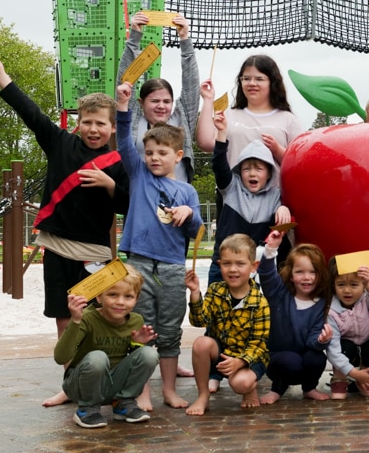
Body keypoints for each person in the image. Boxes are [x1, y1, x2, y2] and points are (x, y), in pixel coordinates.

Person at [0, 52, 130, 408]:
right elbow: (29, 112)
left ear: (112, 128)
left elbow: (128, 204)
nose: (93, 129)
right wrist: (2, 75)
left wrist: (108, 185)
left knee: (101, 320)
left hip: (95, 255)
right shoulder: (59, 143)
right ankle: (70, 383)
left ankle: (103, 382)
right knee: (65, 319)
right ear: (77, 123)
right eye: (87, 122)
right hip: (56, 248)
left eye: (101, 124)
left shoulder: (117, 163)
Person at [115, 82, 204, 409]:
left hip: (170, 266)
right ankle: (142, 392)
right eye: (150, 152)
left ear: (177, 156)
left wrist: (189, 214)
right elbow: (124, 142)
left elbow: (197, 231)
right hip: (138, 262)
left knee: (168, 329)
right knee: (141, 325)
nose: (154, 158)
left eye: (162, 153)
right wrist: (123, 108)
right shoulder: (138, 174)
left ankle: (168, 390)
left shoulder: (188, 193)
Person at [54, 263, 160, 428]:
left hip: (112, 384)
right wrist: (75, 320)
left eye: (128, 296)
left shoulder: (136, 320)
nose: (120, 302)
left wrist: (137, 344)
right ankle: (86, 409)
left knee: (149, 353)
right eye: (112, 294)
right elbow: (60, 357)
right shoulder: (87, 318)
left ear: (136, 299)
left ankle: (123, 403)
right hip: (80, 386)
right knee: (98, 357)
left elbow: (129, 360)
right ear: (99, 297)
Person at [184, 234, 270, 415]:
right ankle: (203, 395)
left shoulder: (260, 303)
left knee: (241, 383)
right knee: (201, 343)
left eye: (240, 264)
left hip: (248, 357)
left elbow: (259, 345)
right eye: (226, 263)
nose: (232, 269)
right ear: (219, 264)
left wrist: (240, 362)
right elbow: (200, 321)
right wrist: (194, 293)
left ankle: (250, 389)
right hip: (222, 352)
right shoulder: (216, 290)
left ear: (254, 266)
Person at [206, 106, 292, 285]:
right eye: (247, 168)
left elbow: (285, 221)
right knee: (217, 308)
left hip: (255, 267)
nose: (252, 174)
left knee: (252, 311)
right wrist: (221, 133)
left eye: (259, 168)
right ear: (239, 171)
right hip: (224, 263)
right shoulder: (231, 187)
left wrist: (284, 208)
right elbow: (219, 166)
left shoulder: (276, 196)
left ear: (269, 173)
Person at [116, 12, 200, 183]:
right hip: (142, 199)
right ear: (141, 103)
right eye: (154, 101)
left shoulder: (180, 120)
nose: (161, 106)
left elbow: (191, 86)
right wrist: (134, 36)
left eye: (167, 101)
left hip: (177, 202)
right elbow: (124, 82)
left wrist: (184, 39)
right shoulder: (134, 120)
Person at [258, 234, 333, 402]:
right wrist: (271, 249)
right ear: (291, 275)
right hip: (279, 359)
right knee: (290, 360)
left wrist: (321, 340)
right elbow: (266, 275)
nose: (307, 277)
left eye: (313, 272)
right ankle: (277, 389)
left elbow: (313, 339)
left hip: (304, 361)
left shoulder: (320, 304)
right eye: (300, 272)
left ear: (319, 275)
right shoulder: (279, 294)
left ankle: (309, 388)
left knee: (317, 357)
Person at [196, 55, 304, 168]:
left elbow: (300, 163)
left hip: (274, 186)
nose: (252, 83)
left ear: (272, 82)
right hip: (232, 185)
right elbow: (205, 143)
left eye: (259, 79)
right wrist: (208, 100)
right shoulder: (228, 116)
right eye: (246, 78)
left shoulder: (288, 119)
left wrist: (277, 150)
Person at [325, 262, 369, 399]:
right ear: (333, 286)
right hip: (346, 345)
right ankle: (339, 379)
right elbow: (333, 350)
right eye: (341, 285)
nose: (347, 290)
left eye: (354, 284)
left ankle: (366, 378)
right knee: (344, 349)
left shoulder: (366, 300)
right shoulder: (331, 312)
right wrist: (352, 373)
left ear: (363, 286)